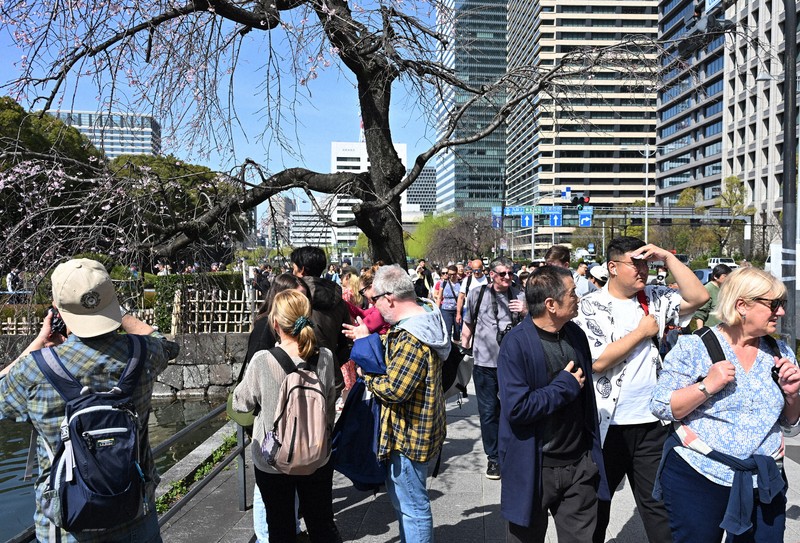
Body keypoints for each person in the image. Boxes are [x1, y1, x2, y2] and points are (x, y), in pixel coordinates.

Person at [0, 258, 180, 542]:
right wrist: (118, 314)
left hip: (67, 527)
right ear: (112, 302)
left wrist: (37, 344)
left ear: (57, 309)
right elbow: (168, 344)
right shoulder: (144, 353)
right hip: (135, 513)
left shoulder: (34, 369)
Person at [574, 237, 709, 543]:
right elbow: (598, 362)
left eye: (647, 263)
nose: (643, 271)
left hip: (652, 423)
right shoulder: (589, 307)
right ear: (612, 267)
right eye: (635, 264)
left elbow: (699, 296)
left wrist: (668, 257)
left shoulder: (656, 297)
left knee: (658, 508)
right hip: (607, 424)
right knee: (596, 508)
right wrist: (641, 333)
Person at [651, 267, 800, 542]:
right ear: (742, 305)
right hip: (699, 474)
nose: (780, 313)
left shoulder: (780, 353)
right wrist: (707, 386)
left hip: (762, 479)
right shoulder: (694, 347)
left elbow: (790, 423)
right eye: (774, 305)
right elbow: (661, 405)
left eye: (783, 304)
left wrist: (792, 395)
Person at [498, 265, 609, 543]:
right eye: (572, 293)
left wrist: (591, 459)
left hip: (579, 466)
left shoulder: (576, 335)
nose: (578, 298)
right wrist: (564, 387)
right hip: (534, 468)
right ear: (551, 304)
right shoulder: (516, 344)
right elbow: (517, 408)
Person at [346, 264, 449, 543]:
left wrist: (367, 376)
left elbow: (395, 389)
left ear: (389, 298)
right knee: (410, 504)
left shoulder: (410, 336)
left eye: (374, 301)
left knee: (412, 508)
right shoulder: (428, 315)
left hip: (408, 436)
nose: (374, 308)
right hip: (424, 428)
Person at [233, 290, 342, 543]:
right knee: (322, 523)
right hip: (317, 453)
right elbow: (329, 400)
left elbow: (241, 403)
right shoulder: (324, 357)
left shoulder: (262, 360)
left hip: (272, 459)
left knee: (279, 527)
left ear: (275, 324)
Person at [461, 256, 526, 480]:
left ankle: (514, 453)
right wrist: (464, 346)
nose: (508, 277)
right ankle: (494, 459)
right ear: (492, 274)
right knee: (488, 413)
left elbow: (536, 327)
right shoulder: (477, 294)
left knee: (514, 410)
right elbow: (468, 323)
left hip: (514, 365)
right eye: (502, 274)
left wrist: (526, 312)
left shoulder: (520, 295)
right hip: (484, 363)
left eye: (510, 272)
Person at [290, 246, 352, 393]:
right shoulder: (338, 301)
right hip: (329, 377)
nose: (292, 272)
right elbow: (348, 342)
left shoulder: (292, 298)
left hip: (294, 375)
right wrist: (331, 359)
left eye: (294, 268)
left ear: (302, 270)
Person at [693, 263, 732, 329]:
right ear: (715, 276)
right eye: (725, 276)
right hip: (711, 331)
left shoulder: (726, 289)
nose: (728, 279)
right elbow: (700, 313)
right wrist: (700, 331)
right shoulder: (707, 289)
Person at [455, 258, 488, 328]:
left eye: (478, 270)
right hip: (468, 311)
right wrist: (458, 314)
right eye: (474, 270)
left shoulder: (488, 280)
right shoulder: (467, 280)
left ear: (482, 268)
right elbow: (460, 297)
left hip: (484, 311)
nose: (476, 272)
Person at [438, 264, 461, 342]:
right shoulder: (444, 283)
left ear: (457, 273)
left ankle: (456, 348)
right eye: (450, 274)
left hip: (457, 310)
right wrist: (437, 309)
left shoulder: (460, 284)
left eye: (454, 274)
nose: (452, 276)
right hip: (446, 310)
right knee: (447, 330)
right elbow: (439, 297)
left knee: (457, 331)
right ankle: (449, 348)